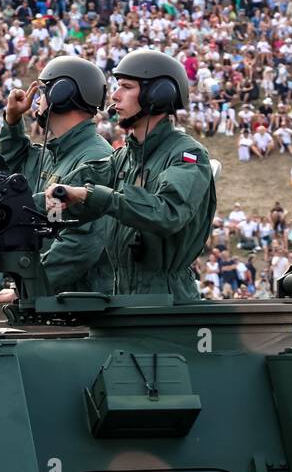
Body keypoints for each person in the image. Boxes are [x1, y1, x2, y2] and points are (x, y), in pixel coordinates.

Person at [46, 49, 217, 302]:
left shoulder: (187, 155)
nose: (114, 96)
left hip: (168, 307)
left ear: (158, 96)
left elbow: (167, 213)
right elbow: (70, 190)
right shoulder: (124, 157)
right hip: (126, 301)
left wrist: (93, 196)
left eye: (126, 87)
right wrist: (19, 213)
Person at [0, 55, 114, 303]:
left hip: (83, 304)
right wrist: (13, 121)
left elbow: (80, 244)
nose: (37, 99)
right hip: (57, 299)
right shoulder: (55, 152)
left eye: (44, 91)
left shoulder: (95, 159)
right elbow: (15, 176)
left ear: (62, 95)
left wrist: (25, 289)